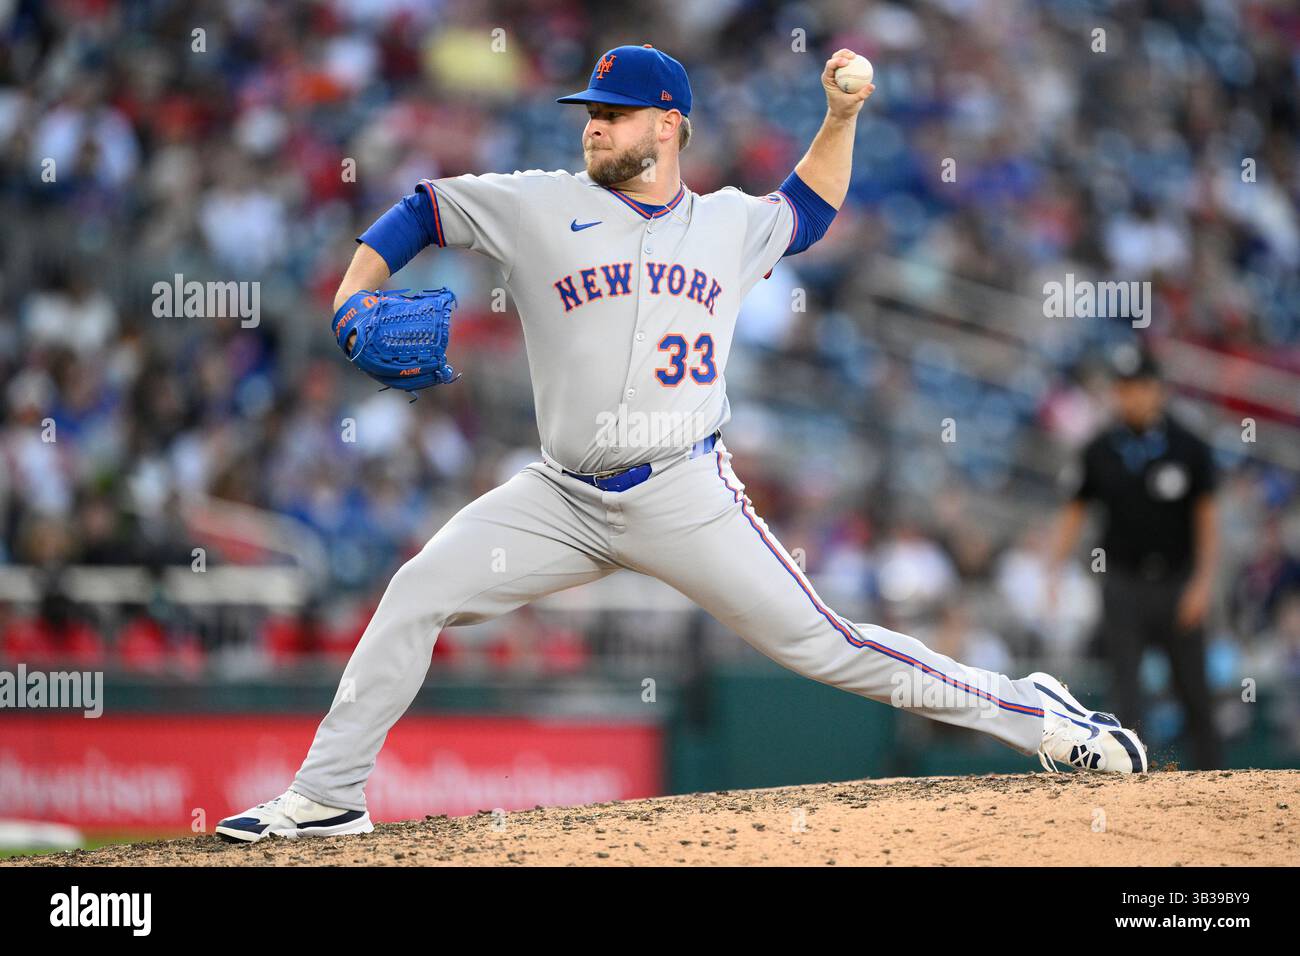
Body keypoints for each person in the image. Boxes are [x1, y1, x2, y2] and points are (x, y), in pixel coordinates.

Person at [216, 45, 1146, 843]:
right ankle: (330, 799)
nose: (593, 127)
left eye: (614, 114)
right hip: (560, 497)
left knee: (832, 647)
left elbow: (809, 210)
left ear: (668, 124)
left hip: (685, 493)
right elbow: (421, 209)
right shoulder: (540, 204)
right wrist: (353, 289)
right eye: (588, 112)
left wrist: (839, 115)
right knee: (418, 590)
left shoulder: (729, 224)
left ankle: (1041, 717)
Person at [1048, 343, 1221, 769]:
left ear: (1158, 389)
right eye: (1124, 387)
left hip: (1178, 582)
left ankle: (1218, 782)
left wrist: (1203, 582)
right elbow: (1075, 510)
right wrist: (1052, 571)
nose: (1131, 396)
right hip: (1122, 583)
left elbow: (1206, 519)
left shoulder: (1189, 447)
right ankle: (1127, 780)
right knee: (1124, 690)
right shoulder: (1100, 449)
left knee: (1194, 690)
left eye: (1140, 386)